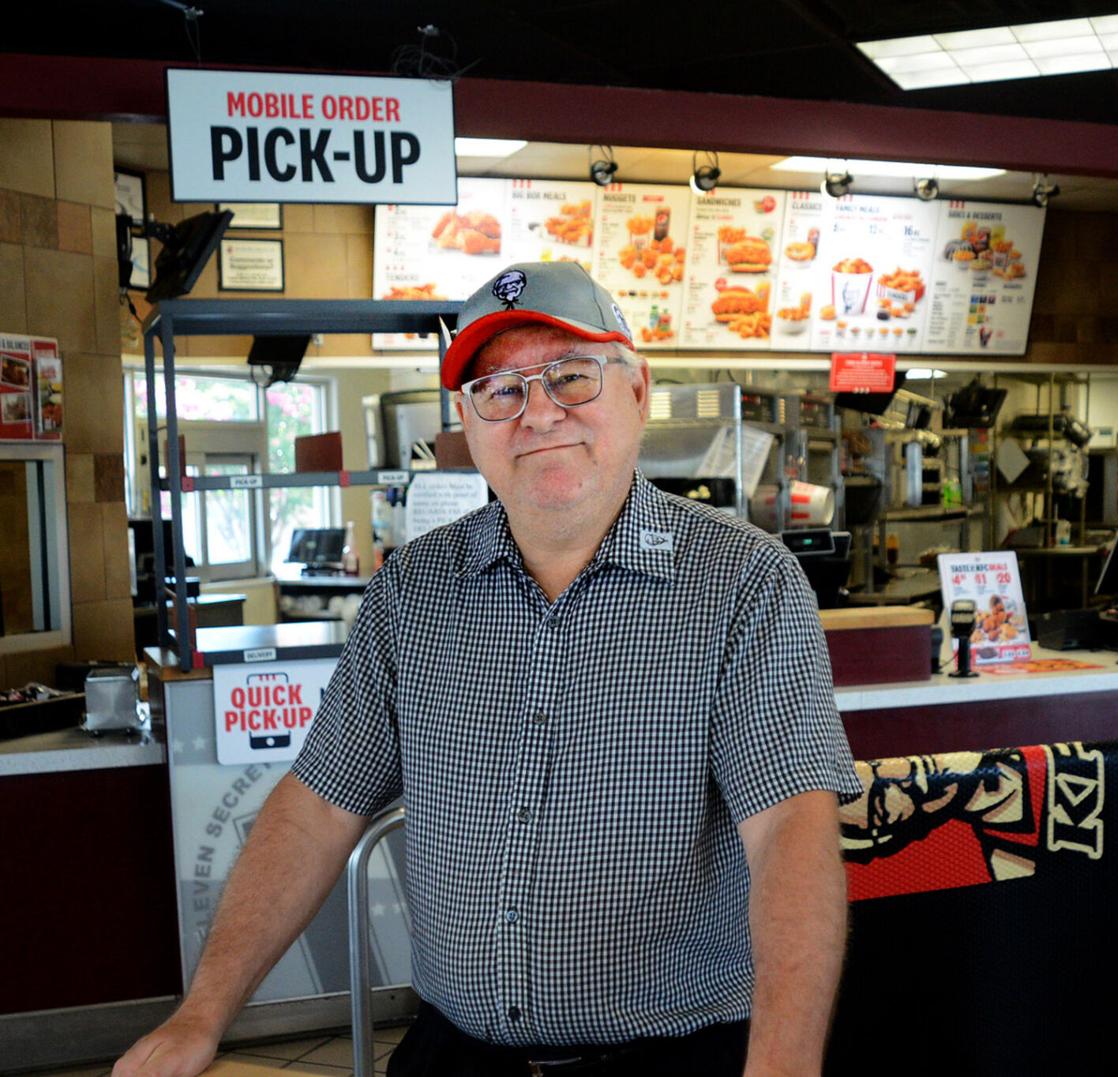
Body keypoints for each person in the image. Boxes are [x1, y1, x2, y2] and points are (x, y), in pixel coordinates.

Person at [114, 262, 861, 1077]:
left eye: (571, 376)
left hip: (674, 1054)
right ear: (467, 425)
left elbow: (791, 828)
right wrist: (202, 1015)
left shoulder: (744, 581)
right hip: (455, 1057)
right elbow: (316, 807)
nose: (539, 412)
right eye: (499, 391)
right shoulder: (413, 589)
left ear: (639, 392)